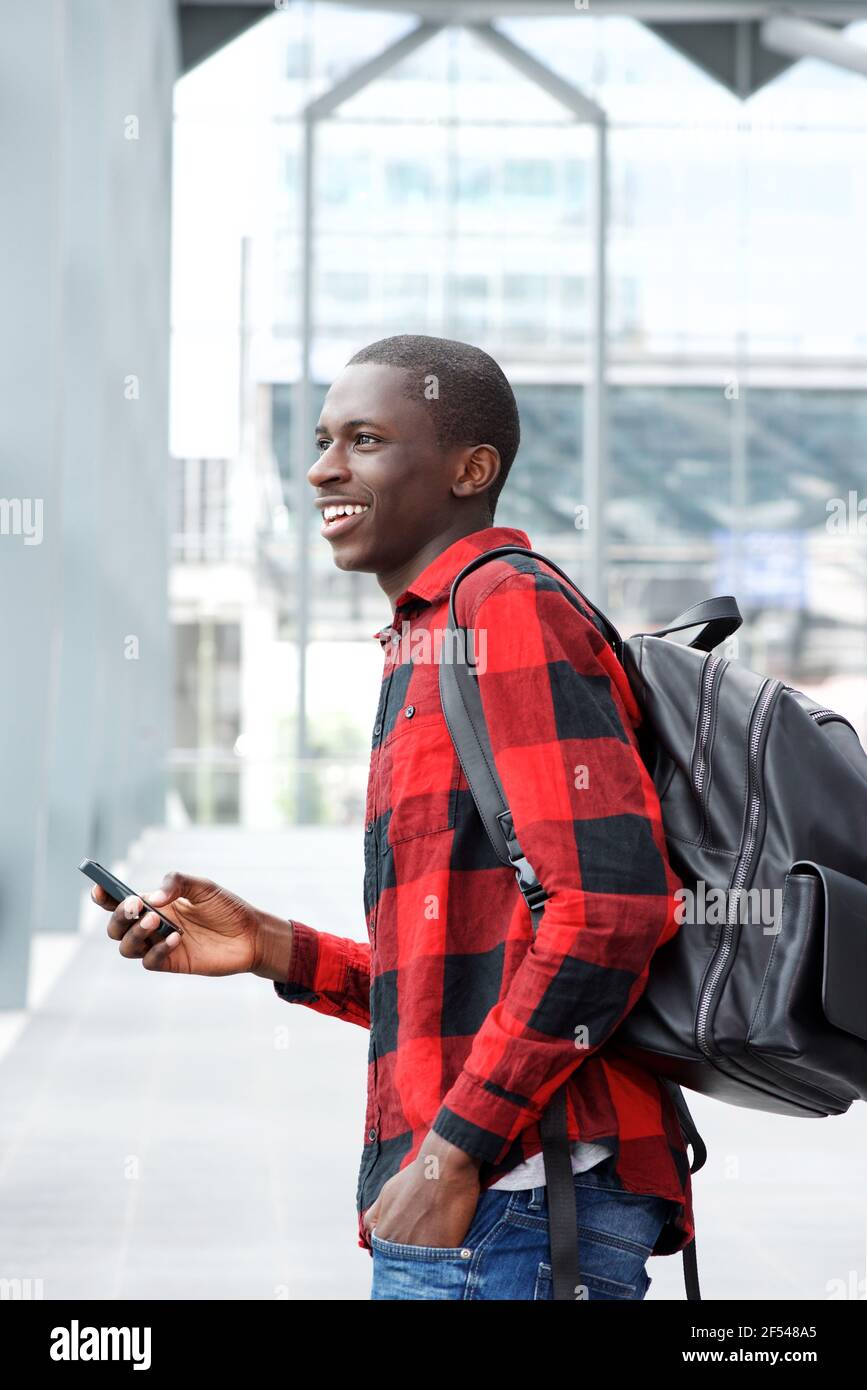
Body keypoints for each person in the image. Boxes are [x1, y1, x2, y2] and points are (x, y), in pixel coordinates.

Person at [92, 333, 693, 1301]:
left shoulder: (504, 613)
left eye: (364, 439)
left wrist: (451, 1155)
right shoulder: (430, 632)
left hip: (521, 1201)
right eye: (325, 440)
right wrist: (272, 946)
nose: (324, 467)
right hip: (496, 1202)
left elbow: (614, 908)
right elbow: (463, 975)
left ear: (471, 469)